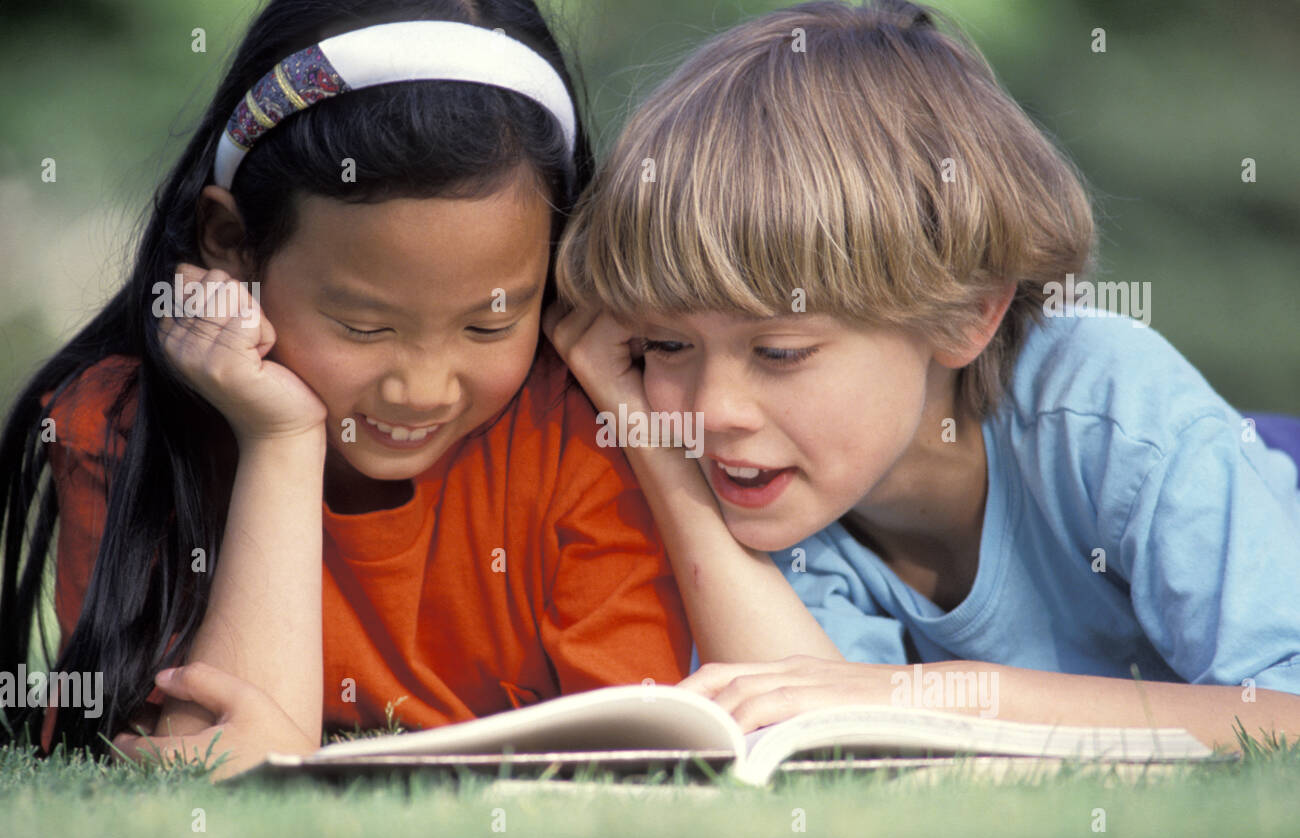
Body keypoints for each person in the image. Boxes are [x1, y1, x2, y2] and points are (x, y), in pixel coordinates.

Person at [546, 0, 1300, 749]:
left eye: (779, 352)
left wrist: (928, 692)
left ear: (966, 314)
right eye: (666, 346)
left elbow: (1286, 717)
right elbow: (820, 743)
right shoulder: (781, 491)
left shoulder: (1111, 408)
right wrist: (646, 436)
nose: (712, 411)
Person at [0, 0, 691, 780]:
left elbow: (644, 747)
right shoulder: (121, 426)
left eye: (489, 326)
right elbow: (197, 754)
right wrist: (279, 441)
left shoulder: (578, 437)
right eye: (365, 327)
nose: (422, 387)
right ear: (230, 243)